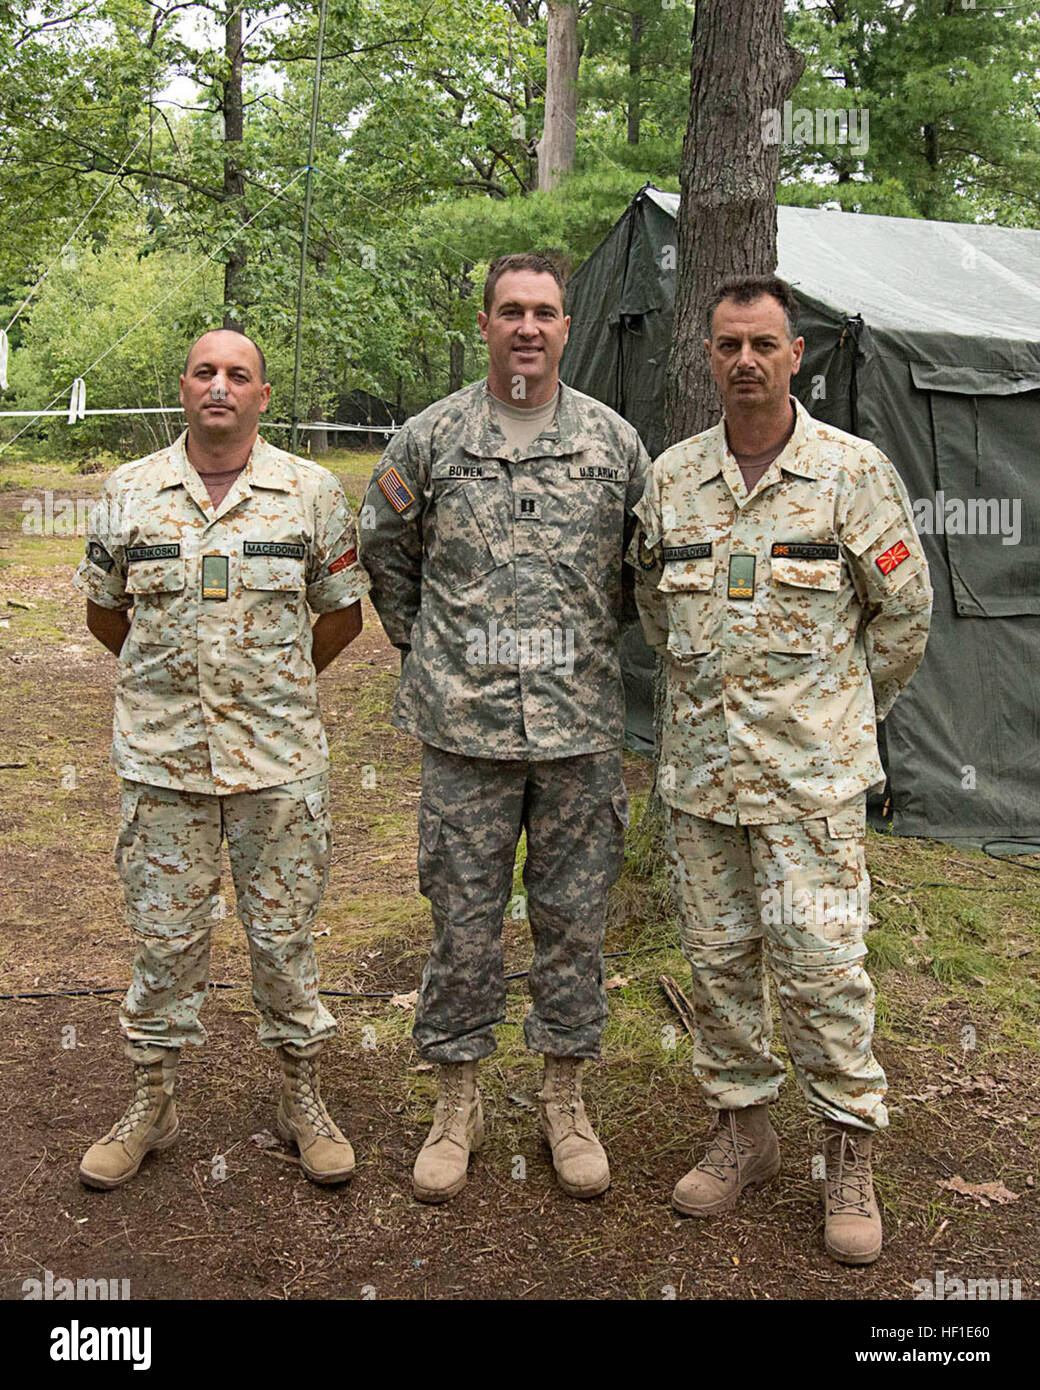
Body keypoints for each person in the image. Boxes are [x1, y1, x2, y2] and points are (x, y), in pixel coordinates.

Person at [631, 275, 932, 1264]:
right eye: (727, 345)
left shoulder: (849, 473)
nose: (745, 361)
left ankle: (845, 1144)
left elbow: (900, 616)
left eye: (763, 343)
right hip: (699, 779)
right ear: (707, 356)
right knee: (717, 967)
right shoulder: (671, 479)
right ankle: (741, 1128)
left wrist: (840, 720)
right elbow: (651, 607)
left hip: (809, 784)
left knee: (820, 969)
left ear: (794, 353)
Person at [361, 252, 650, 1203]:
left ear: (568, 328)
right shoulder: (430, 438)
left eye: (547, 313)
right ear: (484, 324)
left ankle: (564, 1100)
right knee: (464, 923)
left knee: (573, 924)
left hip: (577, 736)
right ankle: (459, 1101)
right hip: (464, 734)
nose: (529, 327)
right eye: (511, 311)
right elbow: (385, 554)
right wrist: (438, 654)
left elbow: (635, 577)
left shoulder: (614, 446)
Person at [75, 329, 370, 1189]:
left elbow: (341, 614)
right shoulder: (129, 493)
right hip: (163, 764)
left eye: (238, 375)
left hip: (278, 764)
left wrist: (265, 692)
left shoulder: (310, 493)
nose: (219, 386)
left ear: (262, 396)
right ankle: (153, 1101)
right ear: (184, 386)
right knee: (165, 940)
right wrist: (178, 694)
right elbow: (106, 615)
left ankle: (300, 1097)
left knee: (282, 939)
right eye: (205, 371)